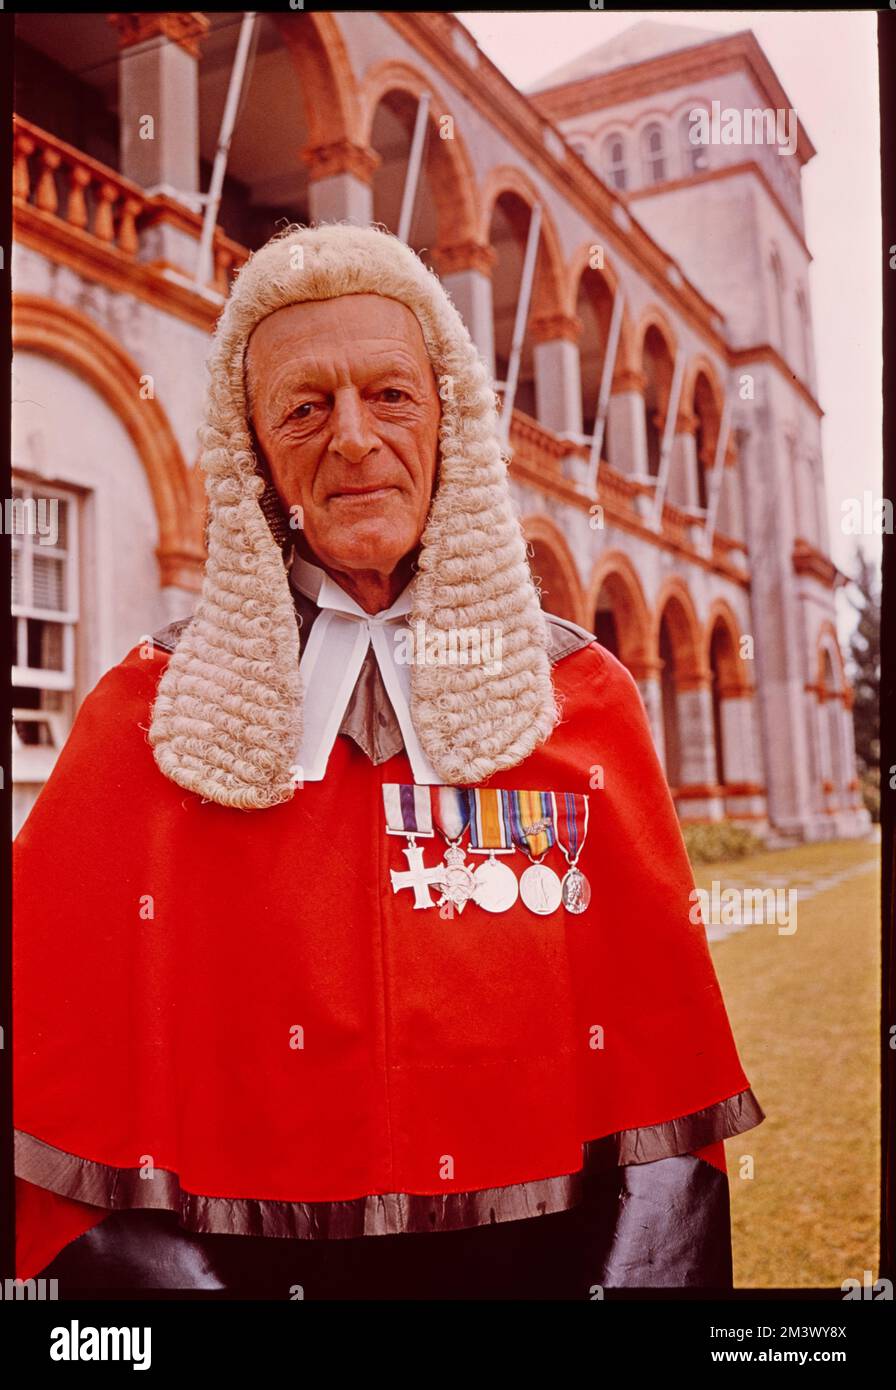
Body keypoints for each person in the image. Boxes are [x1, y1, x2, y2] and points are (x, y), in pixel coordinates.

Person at [13, 223, 763, 1297]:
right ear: (256, 454)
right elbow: (54, 1094)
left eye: (391, 396)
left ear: (447, 417)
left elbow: (662, 1092)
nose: (353, 439)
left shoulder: (582, 698)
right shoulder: (145, 715)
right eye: (304, 408)